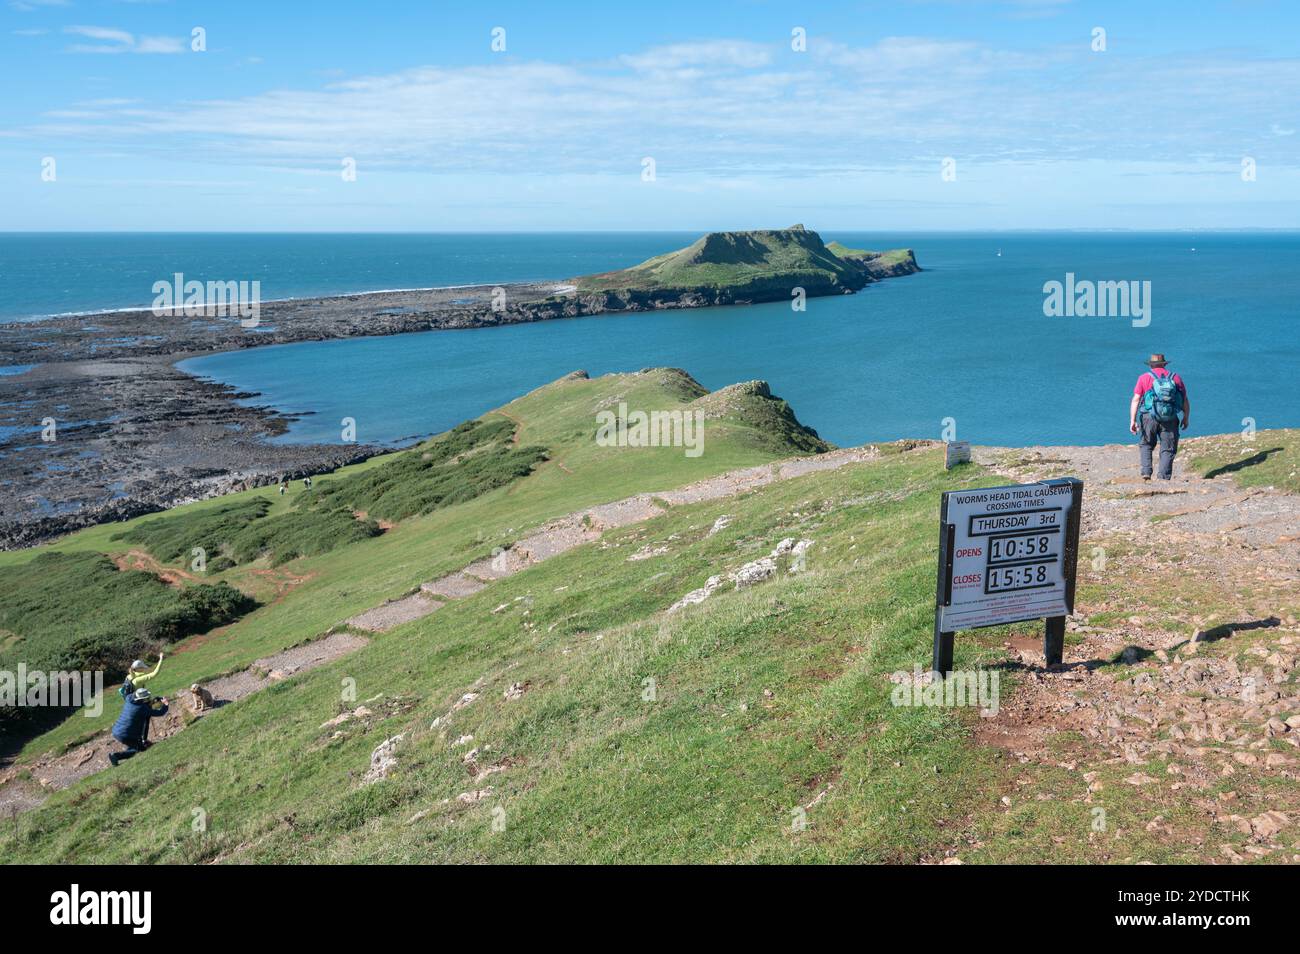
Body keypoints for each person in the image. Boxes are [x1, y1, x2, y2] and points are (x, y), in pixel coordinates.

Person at [1129, 353, 1190, 481]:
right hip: (1170, 417)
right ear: (1164, 364)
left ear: (1151, 365)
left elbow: (1136, 399)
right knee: (1168, 448)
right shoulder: (1175, 378)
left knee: (1146, 444)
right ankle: (1163, 477)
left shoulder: (1144, 378)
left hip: (1148, 417)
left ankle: (1146, 472)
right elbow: (1184, 400)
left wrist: (1132, 421)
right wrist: (1186, 417)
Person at [108, 688, 169, 766]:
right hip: (126, 734)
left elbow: (143, 705)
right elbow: (160, 712)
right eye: (146, 698)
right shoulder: (141, 708)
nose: (148, 699)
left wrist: (151, 702)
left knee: (135, 745)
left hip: (117, 730)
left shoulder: (129, 698)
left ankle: (119, 754)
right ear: (141, 699)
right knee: (140, 749)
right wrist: (166, 704)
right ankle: (115, 756)